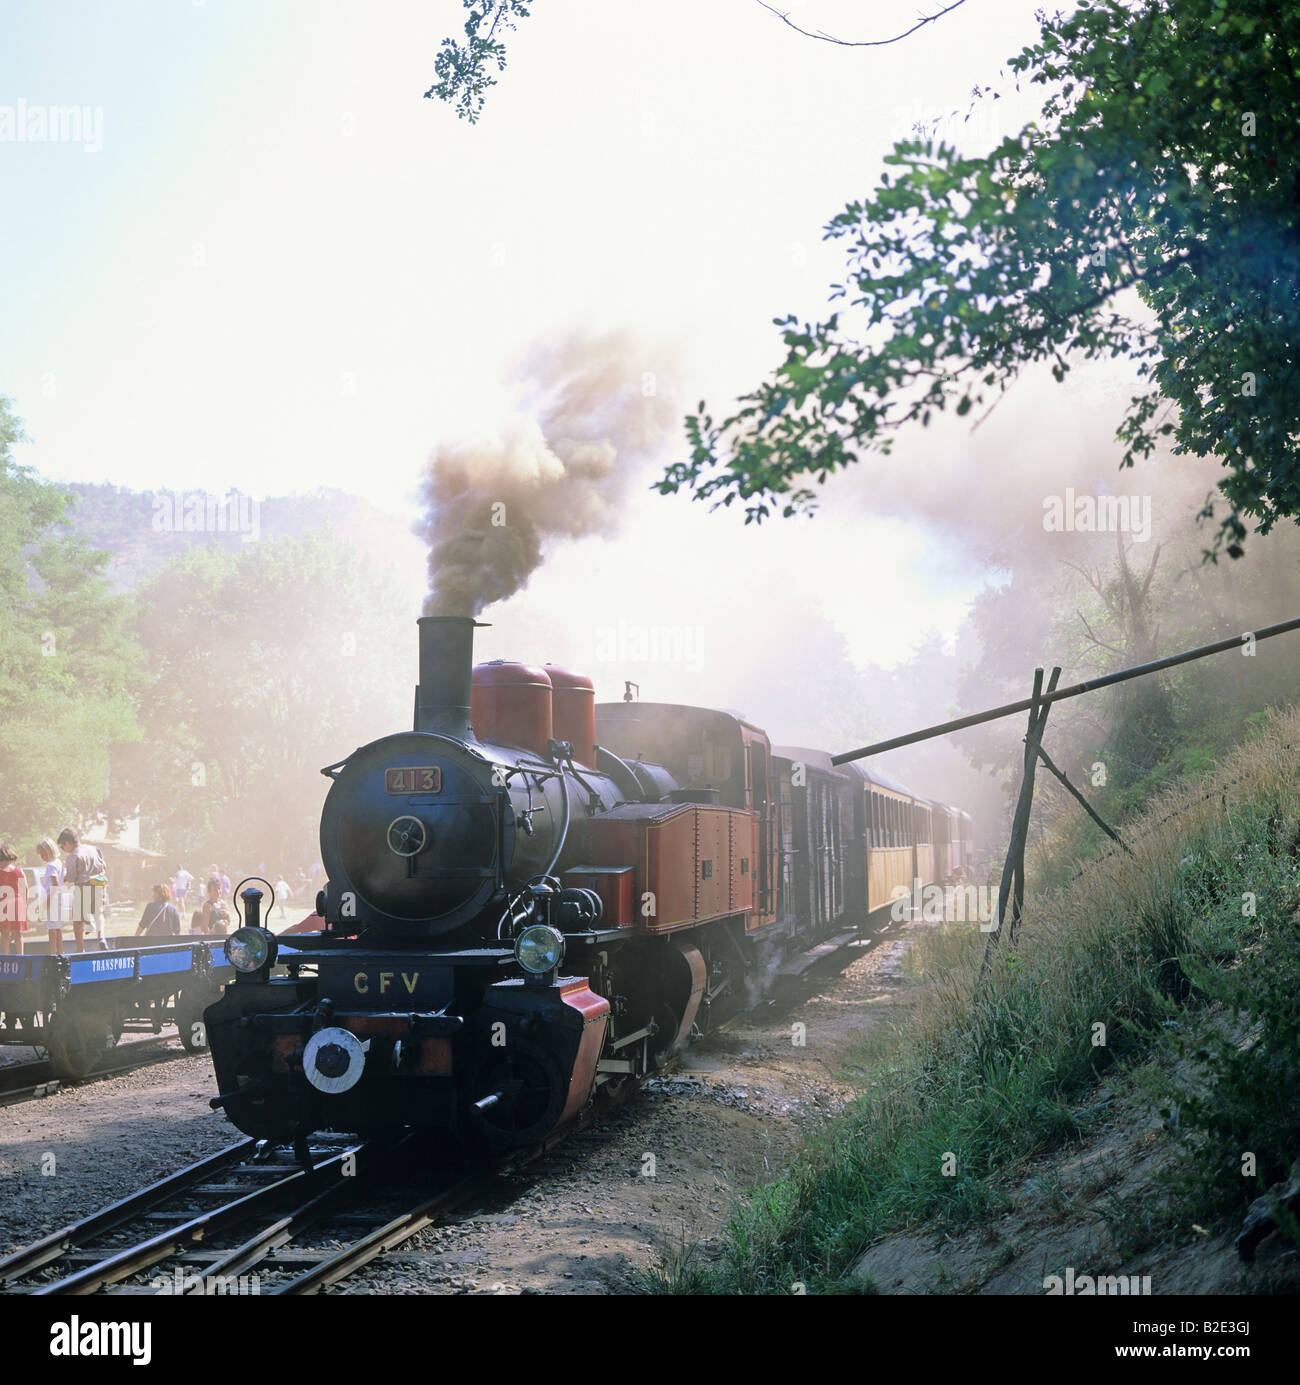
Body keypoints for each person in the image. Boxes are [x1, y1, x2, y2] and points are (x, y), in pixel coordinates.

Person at [56, 828, 107, 952]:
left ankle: (80, 948)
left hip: (84, 884)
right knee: (98, 913)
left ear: (67, 843)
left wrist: (62, 880)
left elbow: (71, 878)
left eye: (63, 847)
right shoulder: (94, 849)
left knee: (78, 919)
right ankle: (101, 938)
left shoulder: (73, 856)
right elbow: (104, 866)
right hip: (100, 882)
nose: (63, 850)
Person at [35, 838, 66, 953]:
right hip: (58, 898)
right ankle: (60, 951)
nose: (42, 857)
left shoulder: (51, 866)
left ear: (49, 852)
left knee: (51, 928)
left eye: (43, 854)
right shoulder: (59, 862)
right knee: (57, 927)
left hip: (52, 898)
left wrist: (46, 903)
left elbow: (55, 884)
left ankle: (53, 952)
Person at [0, 844, 28, 956]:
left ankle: (5, 958)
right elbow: (25, 888)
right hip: (18, 903)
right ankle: (20, 956)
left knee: (5, 933)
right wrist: (25, 904)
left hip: (5, 904)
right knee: (18, 933)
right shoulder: (19, 870)